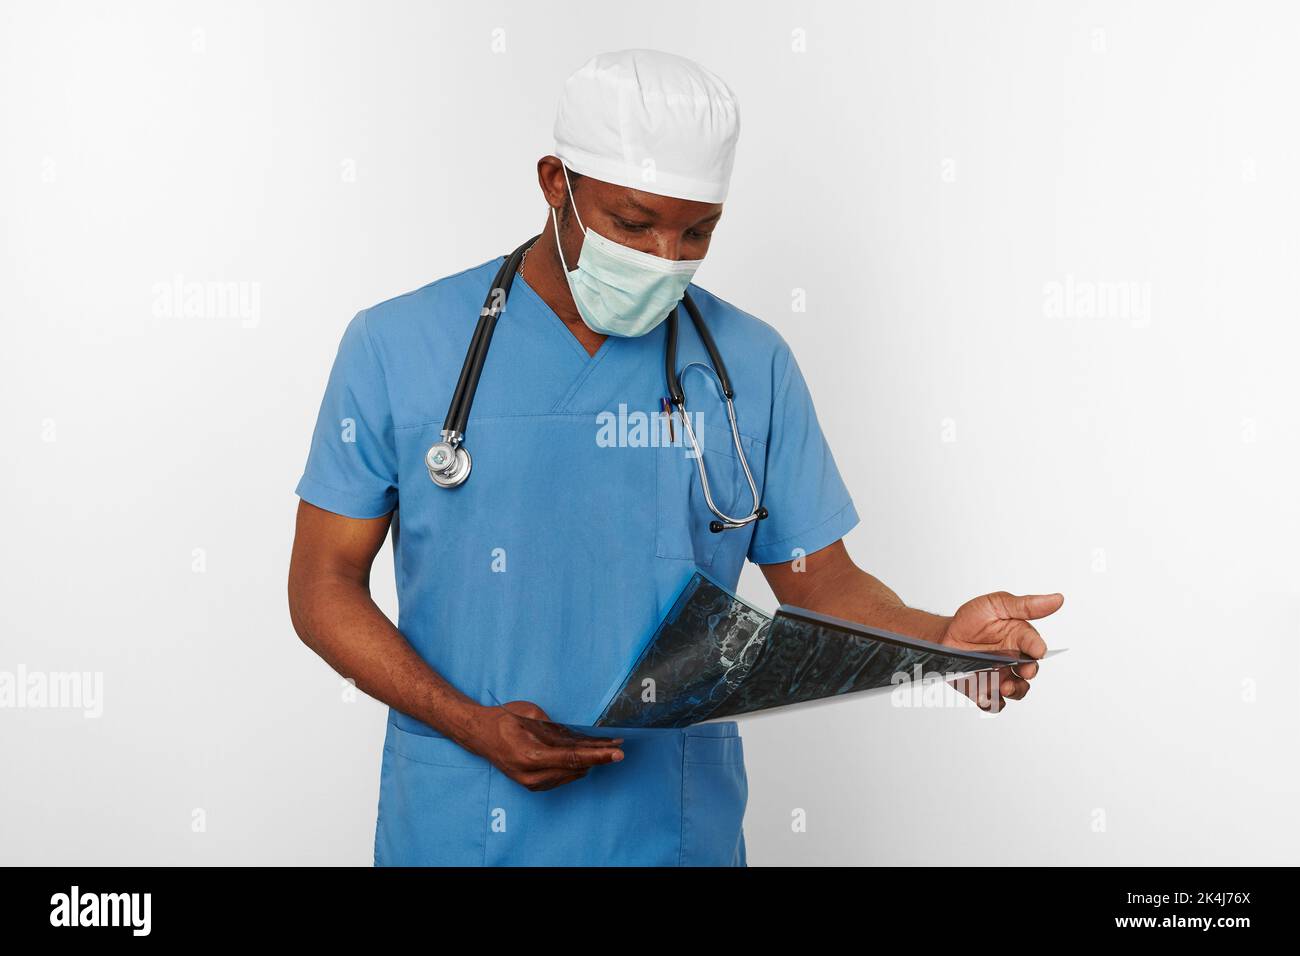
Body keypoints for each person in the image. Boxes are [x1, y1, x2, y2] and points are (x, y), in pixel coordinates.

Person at [287, 49, 1063, 866]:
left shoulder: (748, 364)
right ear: (556, 181)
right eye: (632, 223)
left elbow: (822, 583)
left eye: (696, 231)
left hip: (671, 828)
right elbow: (321, 586)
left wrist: (945, 643)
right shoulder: (397, 345)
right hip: (461, 821)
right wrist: (468, 722)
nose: (664, 256)